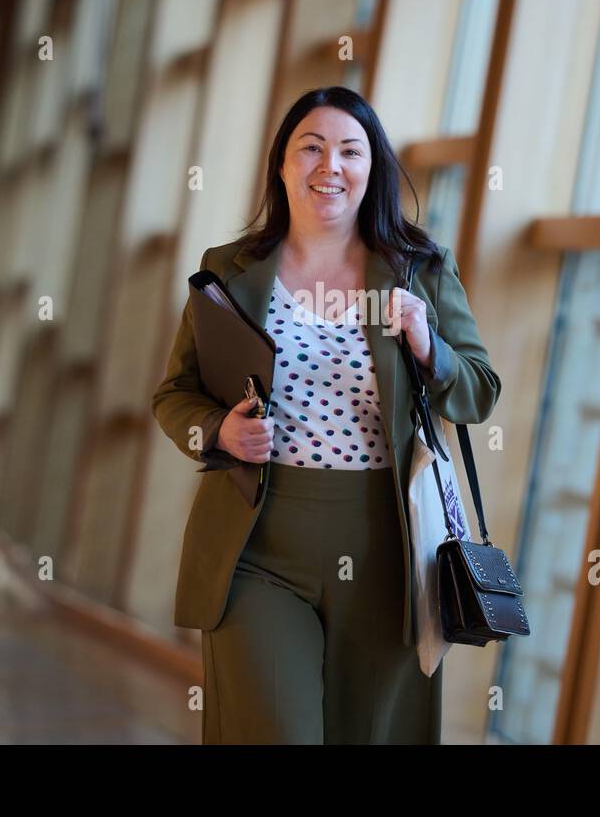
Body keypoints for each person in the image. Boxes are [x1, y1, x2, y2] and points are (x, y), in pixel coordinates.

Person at [152, 85, 501, 744]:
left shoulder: (419, 269)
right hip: (257, 549)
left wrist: (431, 347)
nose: (329, 166)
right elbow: (175, 394)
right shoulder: (230, 272)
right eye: (309, 148)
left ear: (373, 172)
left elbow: (479, 391)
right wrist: (219, 431)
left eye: (349, 150)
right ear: (282, 165)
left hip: (389, 556)